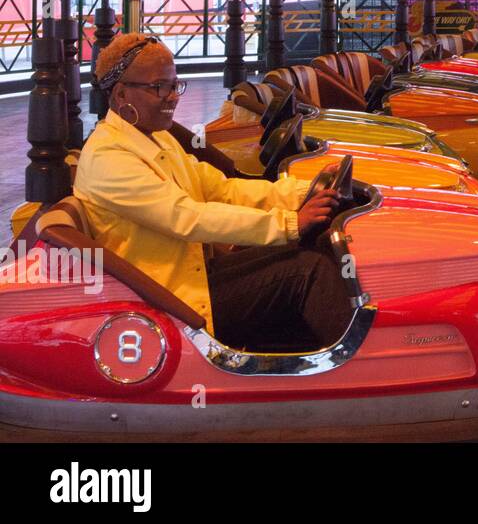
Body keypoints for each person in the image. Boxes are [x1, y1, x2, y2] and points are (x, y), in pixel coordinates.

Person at [74, 32, 353, 352]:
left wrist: (301, 192)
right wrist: (287, 223)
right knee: (308, 270)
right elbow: (187, 218)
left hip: (195, 275)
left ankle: (307, 361)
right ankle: (352, 370)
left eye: (174, 85)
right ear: (122, 94)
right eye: (159, 87)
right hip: (168, 301)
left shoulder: (156, 138)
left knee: (311, 246)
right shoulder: (108, 157)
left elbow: (222, 189)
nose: (172, 97)